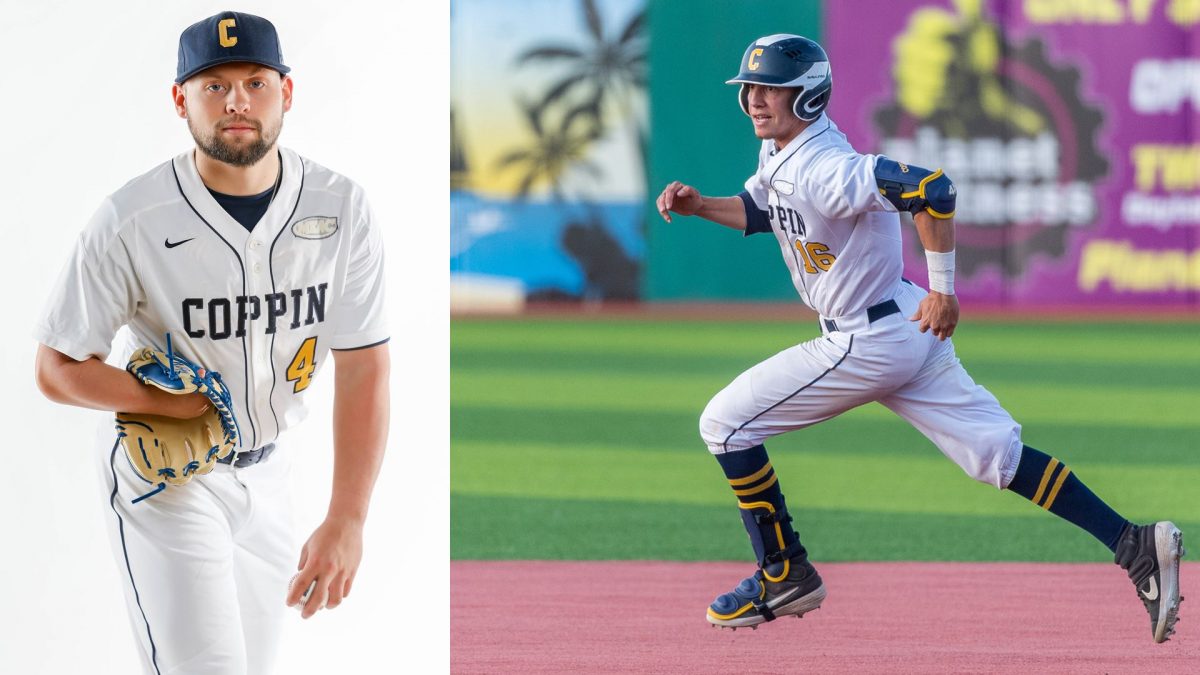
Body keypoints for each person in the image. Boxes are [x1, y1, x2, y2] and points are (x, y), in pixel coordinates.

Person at [655, 34, 1183, 643]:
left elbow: (932, 188)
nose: (754, 98)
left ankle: (784, 573)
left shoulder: (824, 166)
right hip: (903, 326)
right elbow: (762, 208)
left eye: (771, 87)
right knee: (999, 456)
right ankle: (1135, 544)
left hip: (868, 338)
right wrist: (701, 207)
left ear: (807, 95)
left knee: (725, 424)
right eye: (749, 87)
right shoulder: (784, 152)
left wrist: (944, 288)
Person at [32, 11, 390, 674]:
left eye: (255, 81)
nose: (237, 102)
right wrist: (168, 406)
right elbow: (55, 366)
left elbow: (365, 365)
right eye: (213, 85)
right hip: (169, 483)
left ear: (287, 90)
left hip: (273, 475)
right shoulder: (133, 218)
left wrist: (347, 516)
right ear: (180, 100)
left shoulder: (342, 208)